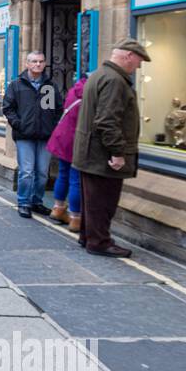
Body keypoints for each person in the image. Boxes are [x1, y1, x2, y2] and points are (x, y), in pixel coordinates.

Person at [73, 39, 151, 258]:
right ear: (128, 56)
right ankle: (99, 242)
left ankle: (88, 237)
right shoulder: (115, 80)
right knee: (103, 202)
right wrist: (117, 153)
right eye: (138, 61)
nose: (138, 66)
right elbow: (107, 120)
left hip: (90, 152)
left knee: (92, 200)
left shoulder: (99, 74)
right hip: (102, 155)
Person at [1, 51, 60, 219]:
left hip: (44, 136)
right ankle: (24, 203)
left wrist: (52, 127)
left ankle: (36, 202)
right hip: (24, 136)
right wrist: (20, 125)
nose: (38, 64)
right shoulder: (17, 85)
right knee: (27, 171)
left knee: (42, 173)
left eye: (41, 61)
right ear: (27, 64)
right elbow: (8, 108)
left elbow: (57, 109)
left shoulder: (49, 86)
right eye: (34, 61)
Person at [46, 76, 86, 234]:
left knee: (63, 174)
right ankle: (76, 218)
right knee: (76, 179)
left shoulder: (74, 90)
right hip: (77, 139)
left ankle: (58, 209)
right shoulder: (90, 93)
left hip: (63, 138)